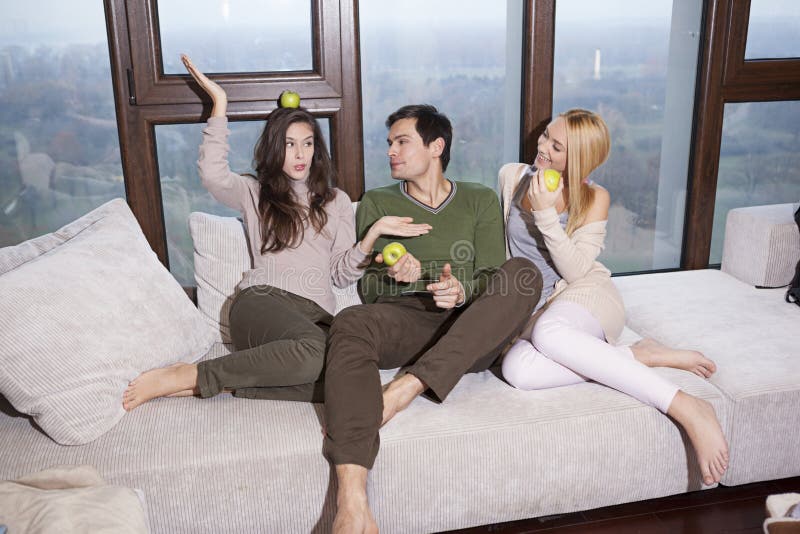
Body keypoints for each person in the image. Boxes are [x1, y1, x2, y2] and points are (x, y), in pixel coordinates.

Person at [122, 56, 432, 410]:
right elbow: (212, 175)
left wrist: (371, 236)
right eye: (289, 144)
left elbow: (340, 274)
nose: (300, 154)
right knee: (315, 354)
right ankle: (191, 375)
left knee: (352, 380)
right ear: (275, 147)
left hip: (316, 317)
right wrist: (219, 104)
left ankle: (219, 383)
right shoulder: (255, 192)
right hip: (264, 303)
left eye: (307, 143)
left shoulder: (336, 201)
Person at [323, 104, 542, 532]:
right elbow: (369, 289)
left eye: (402, 141)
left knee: (523, 273)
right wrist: (395, 276)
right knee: (350, 321)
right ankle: (352, 501)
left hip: (472, 327)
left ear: (436, 146)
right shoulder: (379, 202)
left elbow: (491, 275)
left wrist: (461, 291)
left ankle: (408, 385)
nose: (391, 151)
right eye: (389, 143)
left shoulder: (478, 198)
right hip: (408, 319)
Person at [498, 108, 729, 487]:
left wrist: (545, 216)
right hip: (531, 308)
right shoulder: (512, 177)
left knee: (549, 334)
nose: (543, 147)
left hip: (583, 296)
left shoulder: (594, 197)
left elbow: (576, 271)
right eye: (546, 136)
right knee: (518, 371)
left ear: (579, 160)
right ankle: (639, 354)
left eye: (557, 147)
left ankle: (687, 405)